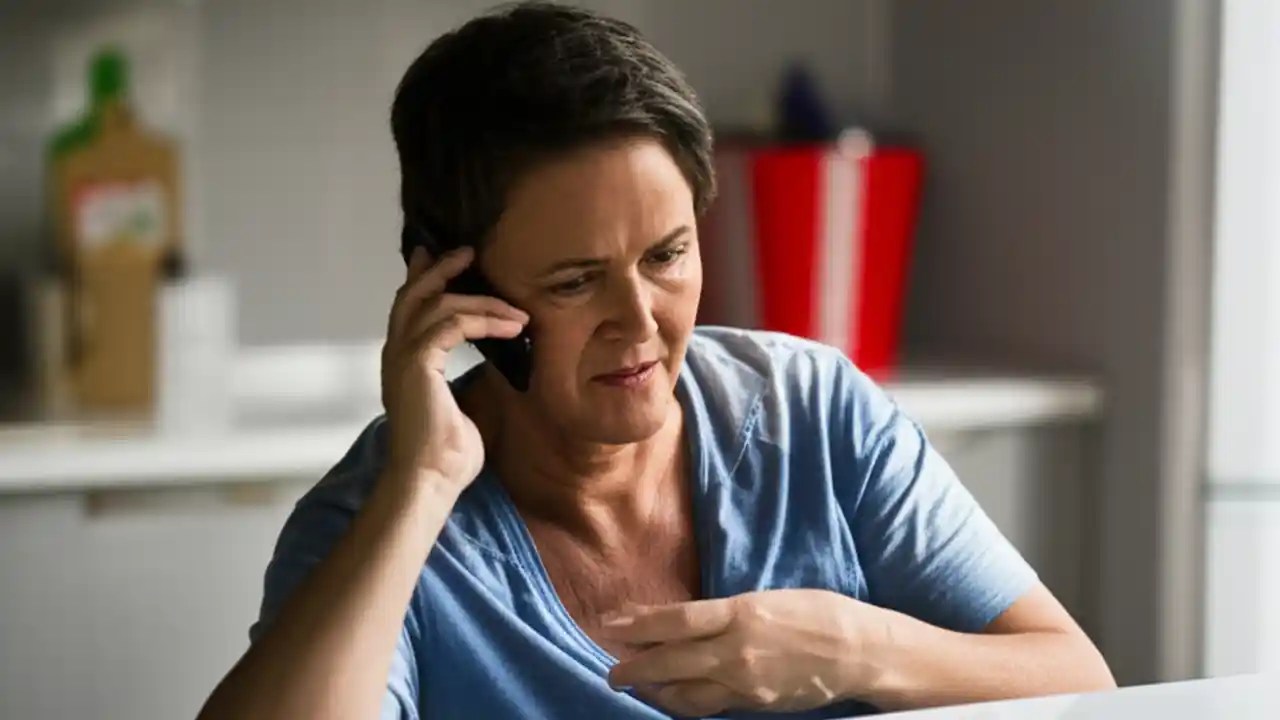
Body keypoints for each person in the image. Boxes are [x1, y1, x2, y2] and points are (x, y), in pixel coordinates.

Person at [198, 3, 1115, 718]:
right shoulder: (380, 522)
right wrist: (423, 486)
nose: (640, 322)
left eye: (667, 256)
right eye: (574, 281)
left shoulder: (814, 414)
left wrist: (851, 650)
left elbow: (1078, 679)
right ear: (457, 290)